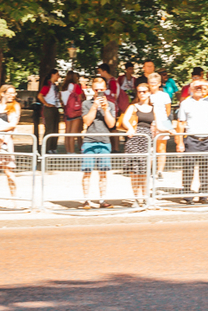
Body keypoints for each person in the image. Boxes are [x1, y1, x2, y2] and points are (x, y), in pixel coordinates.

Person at [174, 79, 208, 204]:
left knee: (205, 168)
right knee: (189, 168)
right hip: (191, 138)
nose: (199, 89)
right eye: (196, 87)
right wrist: (180, 142)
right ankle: (188, 195)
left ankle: (204, 195)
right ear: (190, 89)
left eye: (201, 88)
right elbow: (181, 123)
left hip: (205, 139)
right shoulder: (186, 103)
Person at [80, 77, 117, 209]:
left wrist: (106, 109)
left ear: (105, 89)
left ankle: (102, 200)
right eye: (96, 90)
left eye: (101, 90)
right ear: (92, 90)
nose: (99, 92)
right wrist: (95, 106)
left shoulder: (111, 105)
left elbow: (111, 124)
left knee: (103, 172)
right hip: (90, 141)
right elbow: (87, 121)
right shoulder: (86, 104)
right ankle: (86, 199)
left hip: (104, 141)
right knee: (87, 172)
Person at [120, 82, 155, 205]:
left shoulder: (153, 108)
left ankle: (145, 197)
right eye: (139, 91)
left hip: (147, 139)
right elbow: (125, 120)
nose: (141, 94)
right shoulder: (133, 107)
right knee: (135, 171)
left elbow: (155, 124)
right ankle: (136, 198)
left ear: (149, 93)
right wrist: (130, 128)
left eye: (144, 91)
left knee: (145, 171)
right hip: (134, 139)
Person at [146, 72, 173, 179]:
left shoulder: (164, 95)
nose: (152, 84)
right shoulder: (146, 95)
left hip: (161, 122)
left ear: (159, 83)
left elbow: (168, 109)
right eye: (150, 82)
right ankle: (149, 170)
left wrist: (162, 121)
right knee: (150, 148)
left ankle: (160, 171)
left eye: (155, 83)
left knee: (161, 148)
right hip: (149, 123)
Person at [37, 70, 63, 154]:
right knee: (50, 129)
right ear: (52, 75)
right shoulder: (47, 85)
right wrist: (46, 104)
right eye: (57, 75)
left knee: (55, 128)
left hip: (55, 107)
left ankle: (53, 147)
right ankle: (47, 148)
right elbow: (40, 96)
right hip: (49, 108)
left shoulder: (55, 86)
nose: (58, 76)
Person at [63, 71, 86, 155]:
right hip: (75, 111)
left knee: (67, 132)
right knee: (73, 132)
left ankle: (68, 150)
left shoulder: (64, 87)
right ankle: (72, 151)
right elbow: (80, 98)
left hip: (67, 110)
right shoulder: (76, 86)